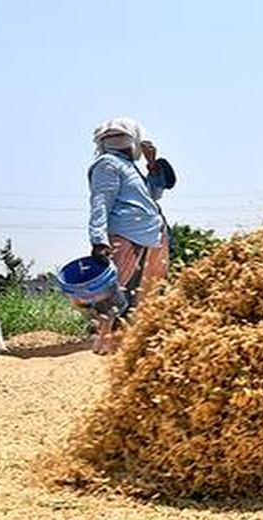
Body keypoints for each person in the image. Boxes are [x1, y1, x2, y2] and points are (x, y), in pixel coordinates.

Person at [87, 117, 177, 354]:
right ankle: (104, 341)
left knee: (148, 290)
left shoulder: (129, 166)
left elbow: (153, 194)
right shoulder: (107, 165)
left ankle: (137, 339)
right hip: (126, 235)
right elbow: (100, 202)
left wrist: (152, 164)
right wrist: (98, 240)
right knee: (115, 289)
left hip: (151, 235)